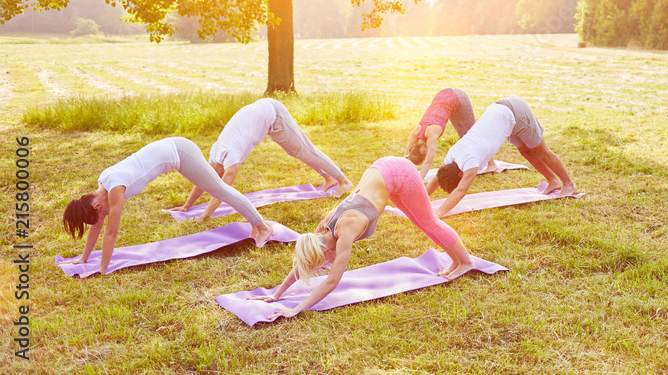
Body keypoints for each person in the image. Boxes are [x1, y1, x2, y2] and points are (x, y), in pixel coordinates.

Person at [248, 156, 475, 320]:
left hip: (398, 172)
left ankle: (464, 261)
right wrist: (277, 294)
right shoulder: (321, 232)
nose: (328, 264)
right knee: (421, 223)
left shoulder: (345, 232)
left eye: (326, 261)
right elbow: (305, 263)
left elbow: (332, 282)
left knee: (428, 222)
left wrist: (296, 308)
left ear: (327, 252)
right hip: (380, 173)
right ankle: (455, 260)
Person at [61, 137, 275, 277]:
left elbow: (111, 231)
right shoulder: (102, 188)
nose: (103, 218)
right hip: (175, 149)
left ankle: (262, 226)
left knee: (221, 190)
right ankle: (258, 224)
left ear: (97, 205)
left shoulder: (115, 187)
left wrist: (103, 269)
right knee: (216, 185)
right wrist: (84, 258)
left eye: (100, 215)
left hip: (180, 152)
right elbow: (97, 225)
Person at [170, 98, 352, 220]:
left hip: (274, 114)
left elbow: (223, 191)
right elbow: (204, 180)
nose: (218, 177)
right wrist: (186, 206)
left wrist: (204, 216)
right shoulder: (215, 153)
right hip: (264, 116)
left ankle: (342, 181)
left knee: (305, 150)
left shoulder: (230, 157)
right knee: (296, 152)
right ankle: (328, 178)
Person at [427, 97, 575, 217]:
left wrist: (437, 214)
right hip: (503, 115)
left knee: (541, 151)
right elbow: (438, 177)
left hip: (516, 111)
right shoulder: (452, 154)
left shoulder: (471, 161)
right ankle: (553, 182)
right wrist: (422, 198)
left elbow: (460, 191)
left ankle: (568, 184)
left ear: (461, 174)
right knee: (526, 152)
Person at [405, 87, 497, 180]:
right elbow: (406, 156)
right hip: (444, 94)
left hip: (459, 97)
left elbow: (428, 162)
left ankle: (492, 164)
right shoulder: (416, 132)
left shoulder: (431, 134)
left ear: (423, 151)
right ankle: (483, 162)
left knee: (472, 134)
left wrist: (418, 181)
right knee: (464, 135)